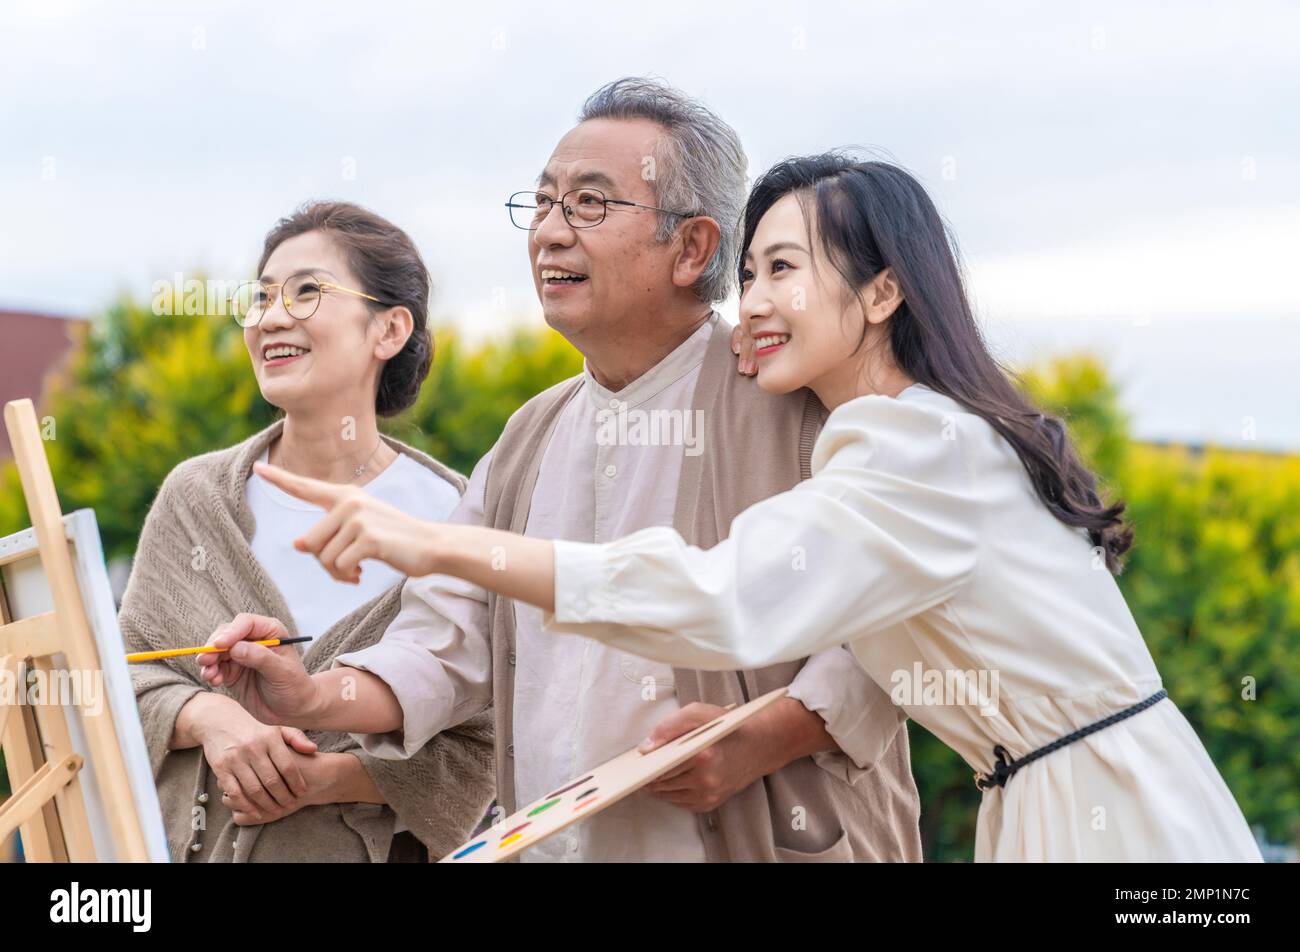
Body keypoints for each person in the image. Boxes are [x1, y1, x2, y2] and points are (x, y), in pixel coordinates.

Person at [239, 154, 1261, 861]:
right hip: (1052, 799)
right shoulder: (902, 441)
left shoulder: (912, 445)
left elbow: (721, 593)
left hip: (1111, 817)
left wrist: (439, 543)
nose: (752, 304)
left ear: (881, 294)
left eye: (782, 271)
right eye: (750, 271)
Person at [201, 78, 923, 863]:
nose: (548, 233)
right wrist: (311, 695)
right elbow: (443, 643)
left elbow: (897, 623)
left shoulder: (795, 404)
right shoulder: (528, 437)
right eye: (542, 204)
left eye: (589, 205)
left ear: (693, 249)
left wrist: (761, 740)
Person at [120, 201, 493, 862]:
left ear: (389, 329)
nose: (270, 317)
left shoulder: (452, 518)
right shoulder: (197, 499)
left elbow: (481, 744)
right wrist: (214, 719)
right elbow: (123, 677)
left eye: (306, 292)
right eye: (261, 297)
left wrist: (331, 782)